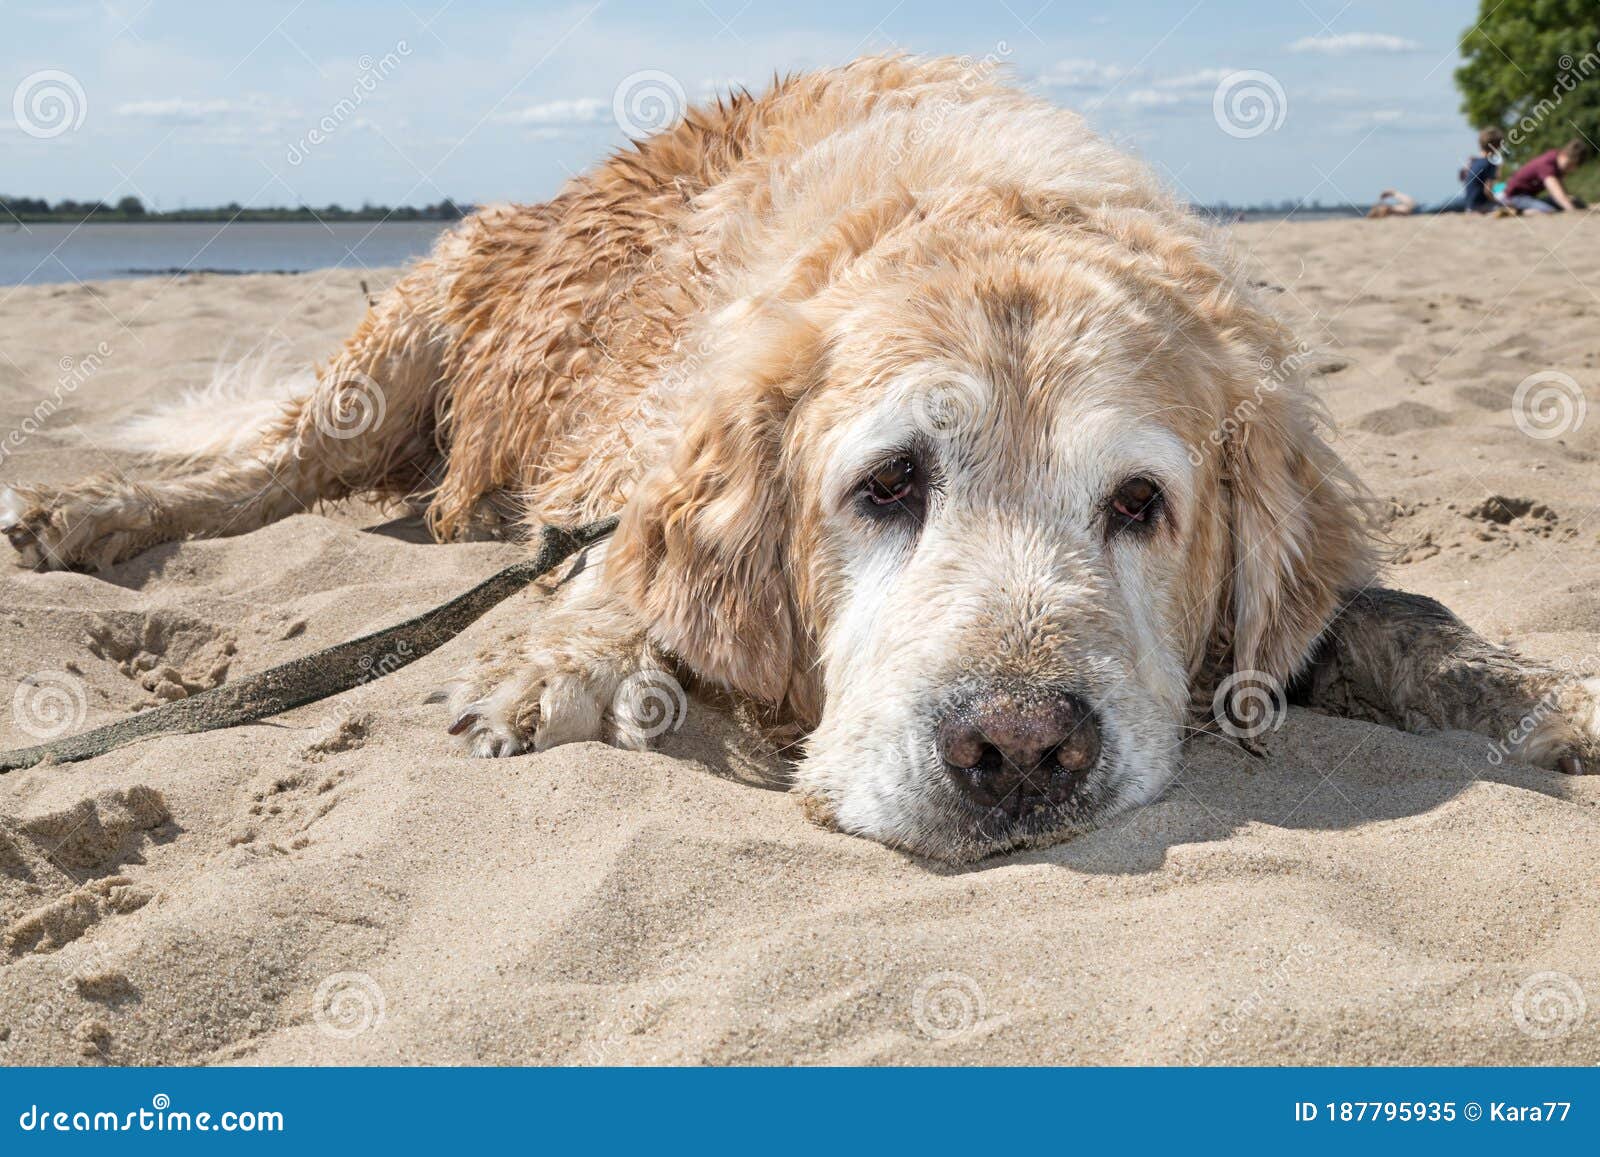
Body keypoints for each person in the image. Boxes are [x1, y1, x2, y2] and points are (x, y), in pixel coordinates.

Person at [1367, 128, 1506, 217]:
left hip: (1465, 199)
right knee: (1421, 210)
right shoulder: (1490, 163)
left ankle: (1393, 205)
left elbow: (1465, 180)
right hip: (1474, 204)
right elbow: (1487, 191)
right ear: (1497, 146)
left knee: (1423, 209)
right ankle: (1393, 202)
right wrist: (1499, 203)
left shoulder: (1474, 161)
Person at [1502, 138, 1592, 213]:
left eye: (1573, 166)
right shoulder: (1547, 164)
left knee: (1576, 202)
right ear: (1564, 154)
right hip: (1514, 197)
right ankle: (1517, 211)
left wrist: (1571, 200)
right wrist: (1572, 210)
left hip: (1530, 197)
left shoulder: (1558, 162)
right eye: (1569, 165)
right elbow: (1556, 192)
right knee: (1548, 210)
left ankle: (1521, 210)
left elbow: (1562, 191)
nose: (1570, 169)